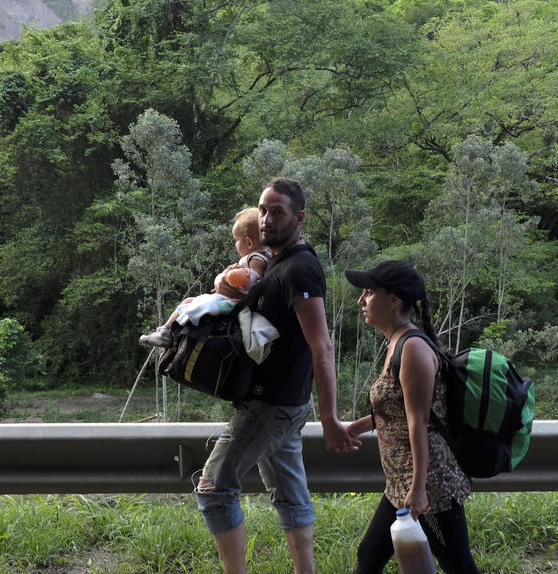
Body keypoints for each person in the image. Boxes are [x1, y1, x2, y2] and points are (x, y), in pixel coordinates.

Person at [195, 178, 360, 574]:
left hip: (272, 405)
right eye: (263, 210)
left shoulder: (300, 270)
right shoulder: (277, 260)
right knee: (289, 496)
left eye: (278, 212)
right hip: (281, 402)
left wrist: (330, 418)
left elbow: (321, 345)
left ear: (299, 217)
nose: (266, 219)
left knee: (214, 489)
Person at [343, 260, 481, 574]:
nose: (360, 301)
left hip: (429, 484)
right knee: (369, 556)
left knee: (459, 566)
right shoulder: (395, 343)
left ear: (393, 300)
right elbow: (398, 411)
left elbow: (419, 420)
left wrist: (418, 491)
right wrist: (357, 427)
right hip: (401, 483)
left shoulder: (413, 347)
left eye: (368, 292)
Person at [139, 207, 270, 346]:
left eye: (237, 240)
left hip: (234, 301)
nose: (236, 244)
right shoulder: (257, 257)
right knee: (188, 300)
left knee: (189, 302)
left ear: (249, 242)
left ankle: (166, 333)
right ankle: (165, 330)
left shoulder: (256, 258)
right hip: (230, 297)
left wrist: (230, 277)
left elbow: (254, 281)